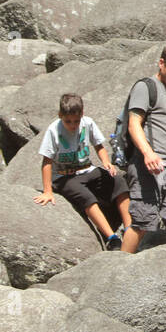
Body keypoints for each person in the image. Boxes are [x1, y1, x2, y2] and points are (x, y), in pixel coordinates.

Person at [119, 44, 166, 254]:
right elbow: (134, 123)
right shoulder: (146, 87)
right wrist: (147, 153)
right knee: (142, 223)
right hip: (148, 167)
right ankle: (116, 269)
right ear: (161, 63)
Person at [33, 93, 131, 250]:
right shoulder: (53, 130)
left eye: (76, 121)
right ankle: (111, 237)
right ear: (60, 116)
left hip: (87, 169)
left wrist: (106, 162)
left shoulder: (88, 123)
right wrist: (47, 191)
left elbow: (99, 145)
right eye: (68, 121)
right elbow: (47, 162)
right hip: (65, 177)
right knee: (86, 196)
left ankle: (129, 228)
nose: (72, 125)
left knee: (118, 181)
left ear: (82, 114)